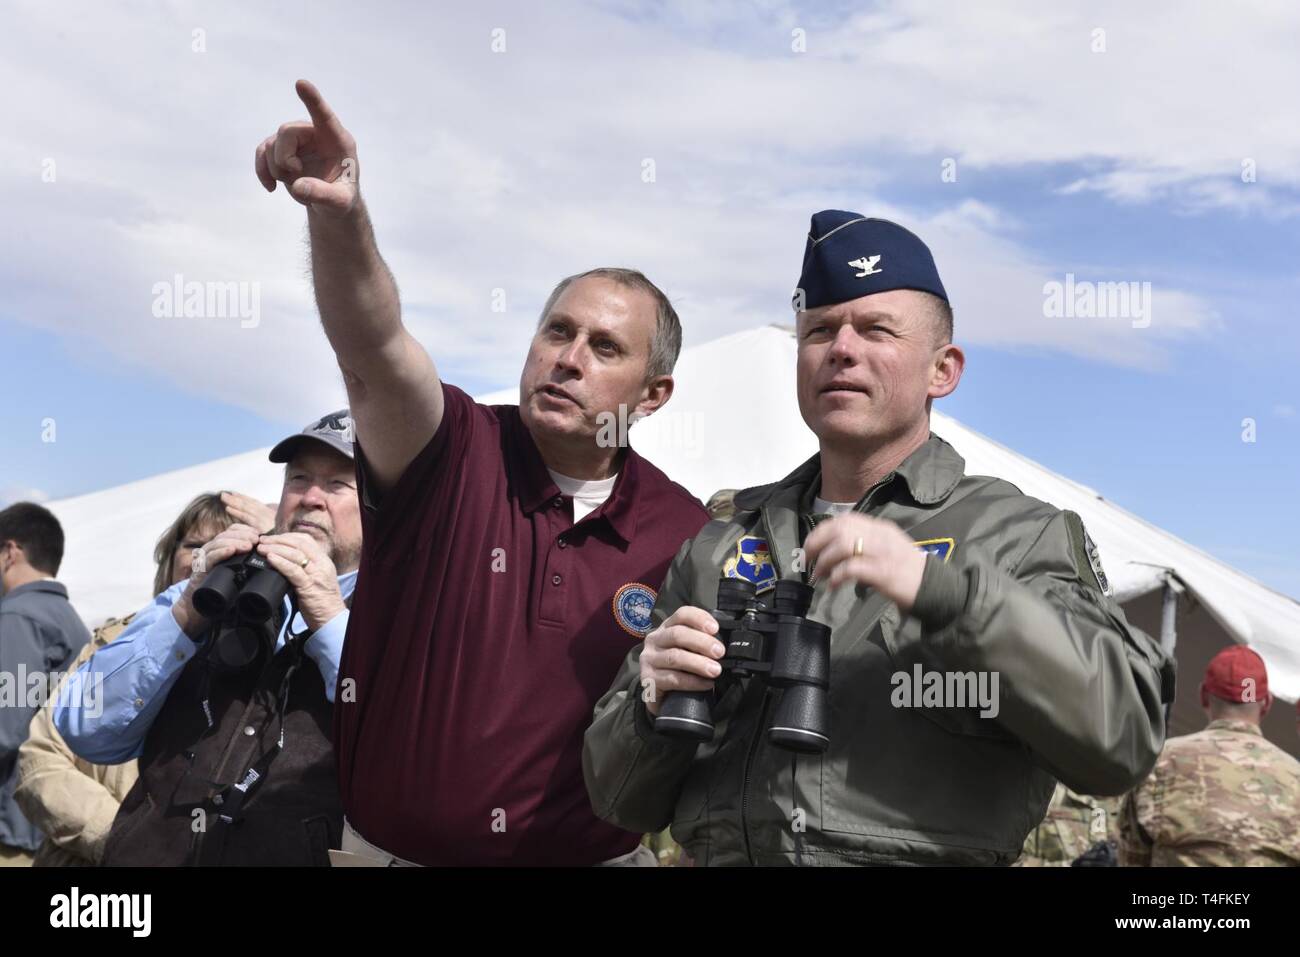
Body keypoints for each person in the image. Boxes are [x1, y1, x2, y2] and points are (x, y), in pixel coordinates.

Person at [583, 210, 1176, 866]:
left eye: (876, 330)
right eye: (820, 331)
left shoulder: (1016, 534)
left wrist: (950, 597)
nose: (841, 348)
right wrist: (650, 700)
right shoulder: (723, 539)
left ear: (942, 370)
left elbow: (1121, 739)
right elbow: (617, 800)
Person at [255, 80, 710, 865]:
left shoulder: (684, 529)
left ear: (654, 393)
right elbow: (374, 348)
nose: (567, 359)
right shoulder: (452, 448)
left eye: (605, 348)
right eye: (556, 331)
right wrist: (340, 218)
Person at [55, 413, 361, 865]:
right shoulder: (201, 593)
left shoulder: (399, 619)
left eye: (337, 484)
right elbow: (86, 728)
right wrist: (184, 615)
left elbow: (419, 761)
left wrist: (331, 621)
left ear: (378, 506)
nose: (310, 498)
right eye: (298, 479)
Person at [14, 492, 247, 866]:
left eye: (225, 547)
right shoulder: (111, 643)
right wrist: (127, 840)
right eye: (195, 545)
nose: (208, 557)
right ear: (170, 558)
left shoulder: (256, 662)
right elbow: (40, 759)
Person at [1119, 645, 1300, 866]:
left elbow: (1132, 857)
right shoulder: (1295, 777)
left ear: (1204, 695)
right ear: (1267, 704)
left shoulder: (1159, 762)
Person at [0, 503, 93, 866]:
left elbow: (4, 731)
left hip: (14, 832)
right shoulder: (71, 620)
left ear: (10, 552)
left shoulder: (19, 616)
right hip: (51, 824)